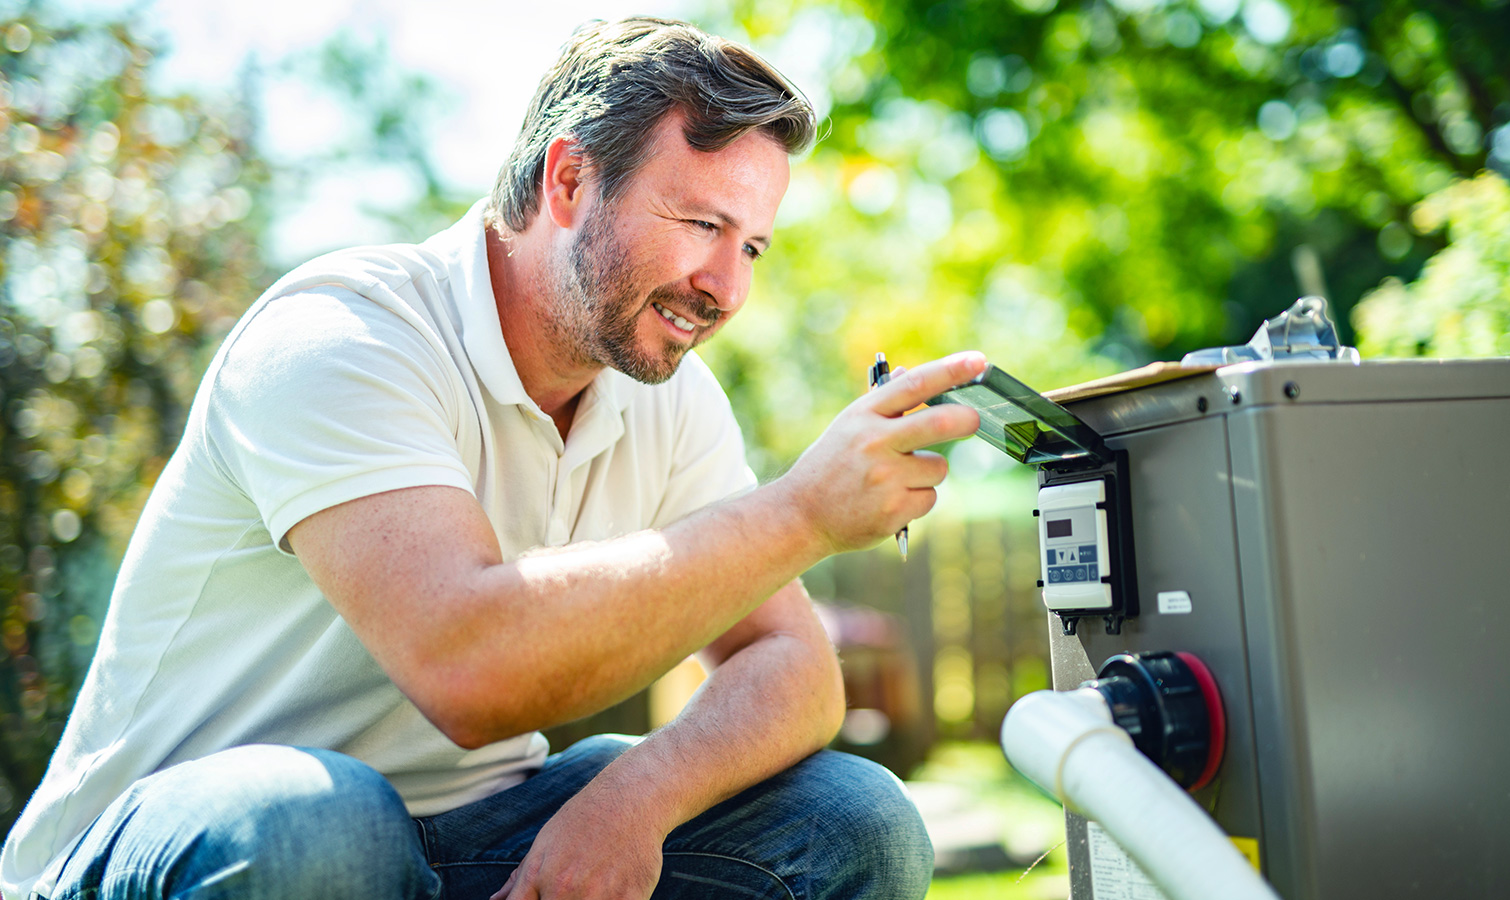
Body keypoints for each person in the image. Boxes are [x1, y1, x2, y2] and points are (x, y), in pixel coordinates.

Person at [1, 16, 985, 900]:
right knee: (321, 828)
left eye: (754, 248)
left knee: (850, 820)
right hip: (191, 847)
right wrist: (801, 513)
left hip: (463, 838)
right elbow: (468, 671)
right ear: (569, 182)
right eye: (701, 226)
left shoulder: (669, 399)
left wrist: (633, 799)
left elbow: (796, 670)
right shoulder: (344, 336)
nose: (725, 287)